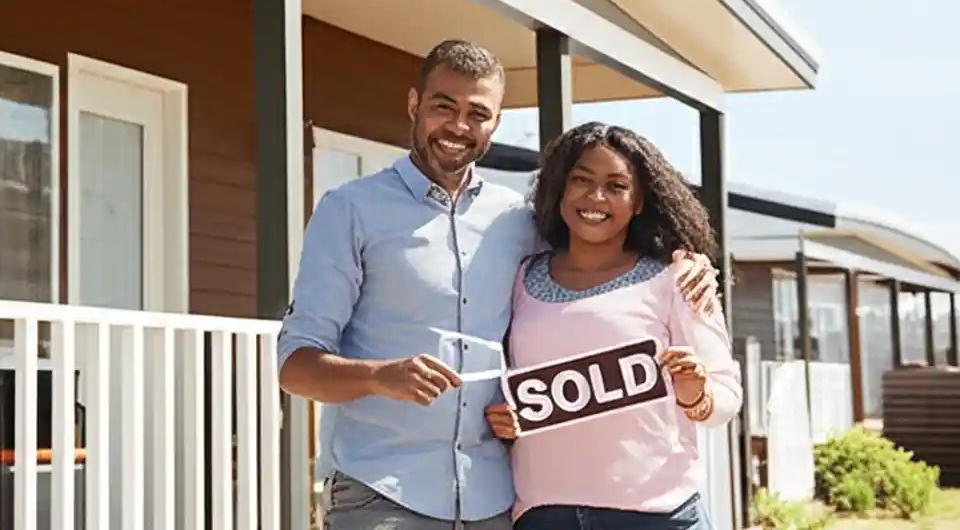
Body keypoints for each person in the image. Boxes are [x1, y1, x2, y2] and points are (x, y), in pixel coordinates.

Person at [277, 40, 721, 529]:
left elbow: (590, 268)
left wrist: (686, 259)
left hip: (493, 500)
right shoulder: (350, 210)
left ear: (495, 123)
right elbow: (296, 367)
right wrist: (380, 376)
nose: (459, 126)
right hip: (384, 494)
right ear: (413, 104)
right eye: (443, 106)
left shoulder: (519, 222)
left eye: (477, 113)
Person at [485, 122, 742, 530]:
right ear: (559, 188)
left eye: (616, 186)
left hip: (657, 517)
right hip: (547, 516)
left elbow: (726, 395)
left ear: (640, 201)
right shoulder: (520, 279)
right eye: (581, 180)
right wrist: (508, 418)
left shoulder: (678, 279)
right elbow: (506, 383)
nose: (595, 197)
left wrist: (698, 394)